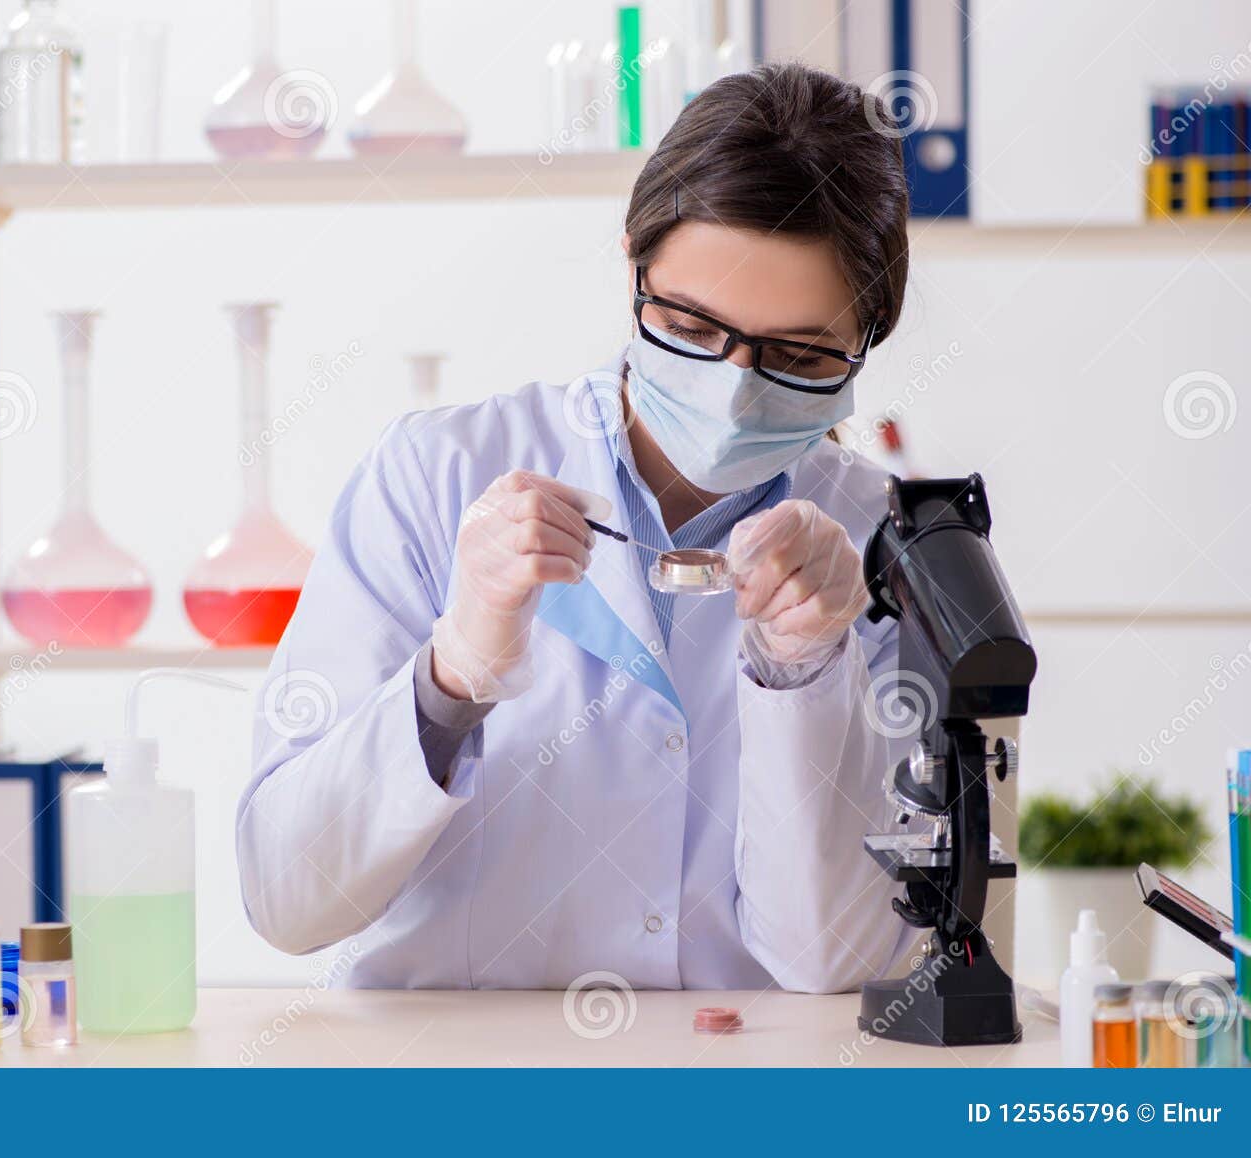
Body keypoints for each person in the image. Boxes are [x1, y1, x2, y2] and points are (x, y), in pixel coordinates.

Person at [237, 62, 920, 993]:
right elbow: (286, 897)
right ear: (635, 260)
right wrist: (452, 674)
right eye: (690, 323)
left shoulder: (899, 546)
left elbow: (830, 963)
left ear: (865, 340)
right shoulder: (434, 475)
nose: (732, 384)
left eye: (799, 354)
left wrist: (805, 673)